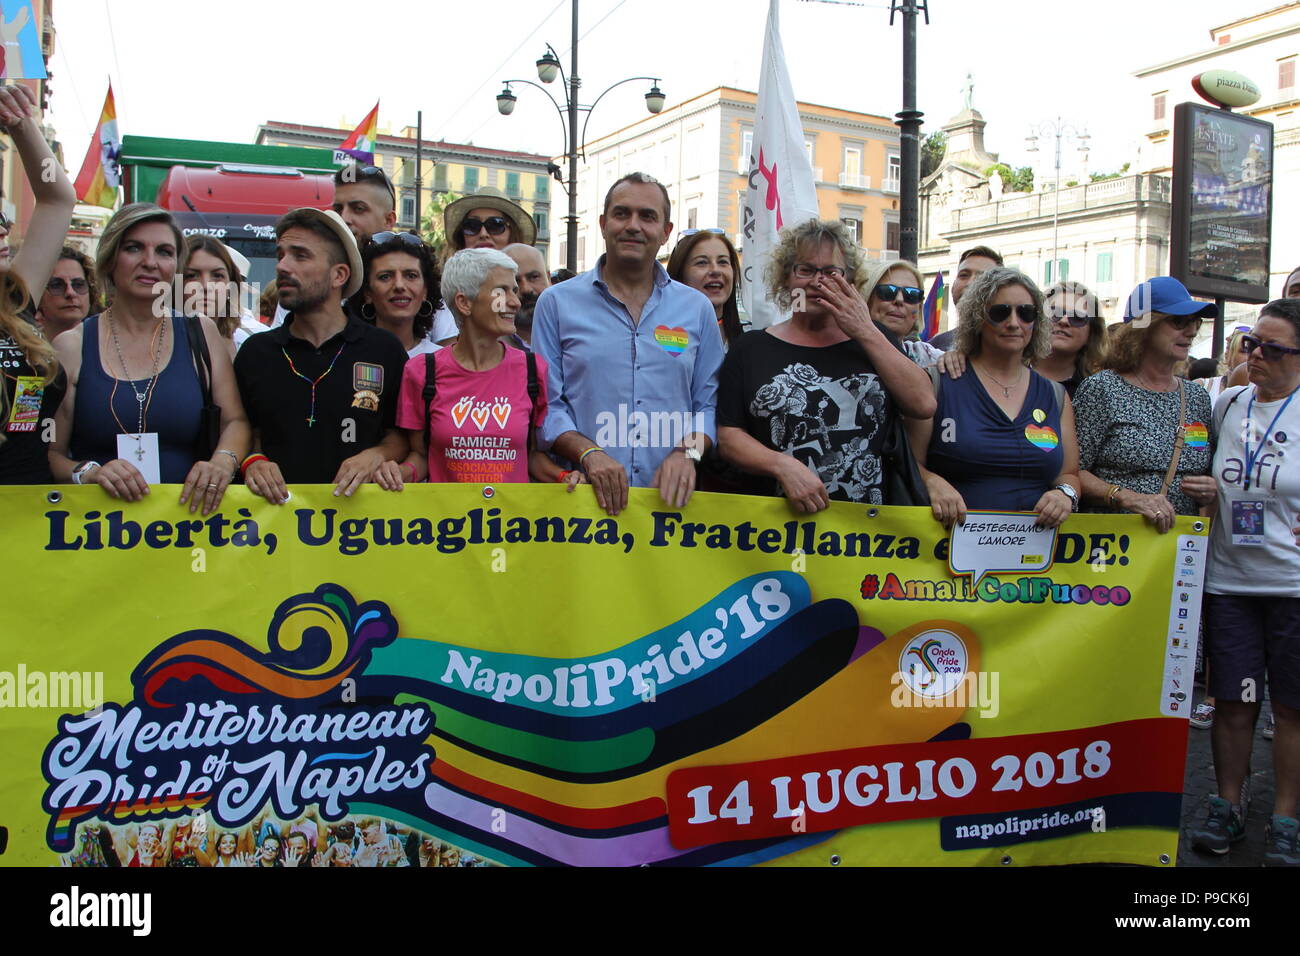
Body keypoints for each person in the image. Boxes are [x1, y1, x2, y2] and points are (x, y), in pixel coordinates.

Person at [533, 172, 724, 516]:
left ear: (666, 232)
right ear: (604, 224)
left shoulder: (696, 309)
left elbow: (708, 407)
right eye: (622, 214)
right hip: (583, 504)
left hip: (669, 507)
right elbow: (547, 405)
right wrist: (589, 453)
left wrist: (687, 454)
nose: (633, 225)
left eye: (647, 216)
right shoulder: (556, 303)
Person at [716, 219, 935, 510]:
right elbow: (728, 435)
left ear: (851, 281)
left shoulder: (875, 339)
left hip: (864, 534)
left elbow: (923, 404)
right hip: (773, 530)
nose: (817, 282)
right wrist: (781, 465)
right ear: (786, 279)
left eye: (831, 272)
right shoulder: (750, 348)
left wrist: (864, 330)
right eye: (805, 270)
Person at [48, 203, 250, 514]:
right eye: (134, 248)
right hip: (96, 534)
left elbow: (235, 422)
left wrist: (222, 462)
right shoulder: (71, 346)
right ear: (110, 258)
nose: (150, 262)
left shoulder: (201, 332)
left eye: (165, 252)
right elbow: (50, 453)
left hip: (189, 527)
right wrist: (90, 472)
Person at [1189, 298, 1300, 865]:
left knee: (1292, 707)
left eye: (1274, 349)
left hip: (1293, 586)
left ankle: (1285, 817)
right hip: (1229, 581)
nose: (1256, 356)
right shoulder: (1229, 402)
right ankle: (1226, 804)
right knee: (1232, 701)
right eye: (1253, 343)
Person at [234, 208, 408, 503]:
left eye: (300, 256)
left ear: (339, 274)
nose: (283, 266)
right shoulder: (255, 352)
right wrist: (253, 461)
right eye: (281, 255)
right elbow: (242, 430)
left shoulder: (384, 350)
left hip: (361, 531)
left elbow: (402, 435)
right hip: (273, 531)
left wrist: (376, 456)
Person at [905, 267, 1080, 526]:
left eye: (1026, 313)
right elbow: (908, 463)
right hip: (947, 548)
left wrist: (1065, 494)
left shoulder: (1054, 395)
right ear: (978, 318)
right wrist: (931, 481)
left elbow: (1068, 473)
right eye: (1000, 312)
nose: (1013, 322)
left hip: (1033, 555)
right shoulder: (938, 382)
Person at [385, 248, 553, 488]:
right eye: (502, 291)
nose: (515, 302)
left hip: (511, 523)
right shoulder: (422, 371)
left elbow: (531, 455)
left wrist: (564, 477)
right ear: (464, 302)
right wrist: (397, 473)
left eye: (513, 291)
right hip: (447, 523)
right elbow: (422, 456)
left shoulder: (532, 369)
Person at [1074, 277, 1218, 531]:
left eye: (1196, 322)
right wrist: (1126, 497)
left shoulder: (1197, 397)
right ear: (1144, 325)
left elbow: (1204, 470)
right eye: (1178, 322)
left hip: (1178, 548)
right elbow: (1071, 471)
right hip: (1115, 547)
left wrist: (1209, 490)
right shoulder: (1102, 389)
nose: (1192, 331)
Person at [0, 84, 78, 485]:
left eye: (3, 217)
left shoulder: (13, 299)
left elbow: (58, 199)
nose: (4, 230)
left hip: (31, 520)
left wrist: (20, 124)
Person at [936, 279, 1108, 399]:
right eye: (1054, 313)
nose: (1064, 321)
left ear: (1092, 331)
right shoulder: (985, 370)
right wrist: (957, 356)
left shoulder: (1100, 390)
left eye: (1077, 317)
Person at [434, 189, 538, 348]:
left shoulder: (532, 294)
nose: (483, 234)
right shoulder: (440, 298)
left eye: (495, 225)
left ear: (512, 233)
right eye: (472, 226)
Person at [348, 231, 442, 357]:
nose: (399, 285)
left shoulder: (441, 361)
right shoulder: (347, 357)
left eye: (411, 276)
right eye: (385, 277)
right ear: (367, 292)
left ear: (425, 290)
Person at [666, 228, 743, 347]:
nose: (715, 270)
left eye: (722, 262)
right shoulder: (663, 337)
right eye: (702, 262)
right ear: (680, 273)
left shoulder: (750, 340)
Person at [182, 235, 254, 358]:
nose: (206, 286)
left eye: (217, 276)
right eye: (192, 275)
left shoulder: (247, 345)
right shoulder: (154, 343)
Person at [858, 258, 940, 367]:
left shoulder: (928, 356)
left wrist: (955, 357)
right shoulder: (843, 352)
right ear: (868, 299)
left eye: (911, 295)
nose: (899, 300)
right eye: (888, 291)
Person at [928, 245, 1002, 351]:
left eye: (982, 277)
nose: (971, 282)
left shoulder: (1013, 343)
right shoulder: (932, 348)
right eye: (964, 275)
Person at [35, 247, 97, 341]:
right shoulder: (20, 350)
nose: (70, 293)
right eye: (56, 285)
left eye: (79, 285)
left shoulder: (107, 347)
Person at [503, 242, 549, 348]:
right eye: (515, 280)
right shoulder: (489, 351)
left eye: (534, 277)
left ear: (548, 278)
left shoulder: (572, 334)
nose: (526, 289)